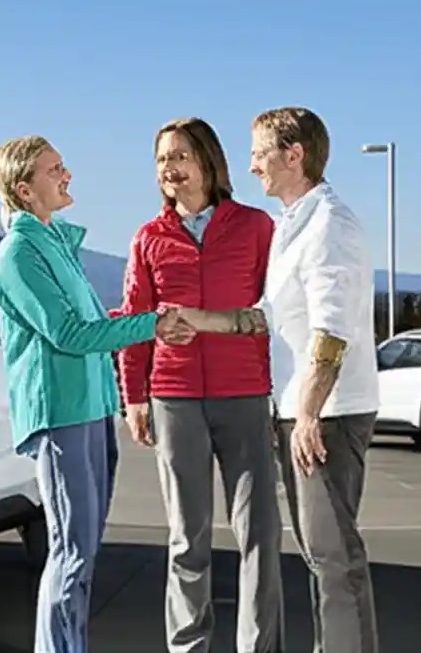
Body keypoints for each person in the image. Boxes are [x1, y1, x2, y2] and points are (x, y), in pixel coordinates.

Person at [0, 133, 267, 653]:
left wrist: (142, 341)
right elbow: (70, 335)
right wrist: (155, 328)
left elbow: (99, 322)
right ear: (25, 190)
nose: (66, 174)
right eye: (55, 170)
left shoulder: (55, 244)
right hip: (59, 414)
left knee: (85, 552)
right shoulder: (19, 254)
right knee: (71, 553)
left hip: (92, 411)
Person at [117, 117, 284, 653]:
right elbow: (135, 319)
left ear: (209, 162)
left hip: (245, 393)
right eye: (162, 158)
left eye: (180, 155)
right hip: (174, 397)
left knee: (258, 532)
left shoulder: (257, 227)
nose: (169, 167)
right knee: (187, 538)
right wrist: (135, 396)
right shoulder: (149, 238)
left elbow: (277, 310)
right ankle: (189, 646)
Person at [250, 106, 381, 653]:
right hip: (299, 410)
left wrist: (307, 415)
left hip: (327, 414)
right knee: (319, 553)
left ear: (294, 154)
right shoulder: (293, 223)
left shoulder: (330, 224)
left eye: (261, 152)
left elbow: (331, 332)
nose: (253, 164)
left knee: (333, 556)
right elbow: (275, 316)